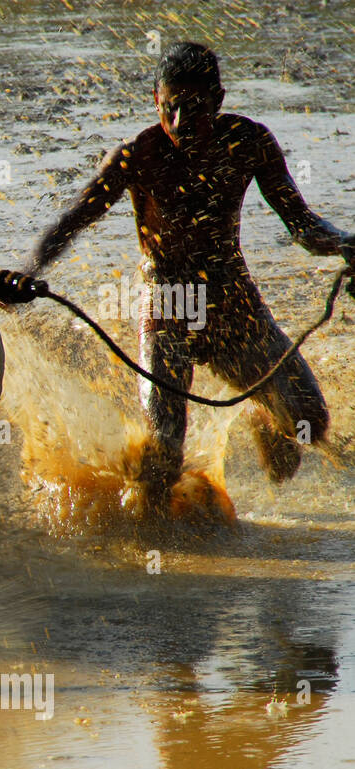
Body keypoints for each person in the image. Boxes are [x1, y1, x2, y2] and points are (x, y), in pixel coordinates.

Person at [27, 41, 355, 510]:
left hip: (233, 302)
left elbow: (303, 225)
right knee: (162, 455)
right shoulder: (138, 154)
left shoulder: (250, 143)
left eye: (195, 108)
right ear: (156, 101)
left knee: (309, 422)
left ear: (219, 101)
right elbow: (70, 223)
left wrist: (346, 244)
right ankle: (158, 547)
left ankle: (263, 414)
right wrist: (27, 274)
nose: (181, 123)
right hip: (169, 305)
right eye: (170, 108)